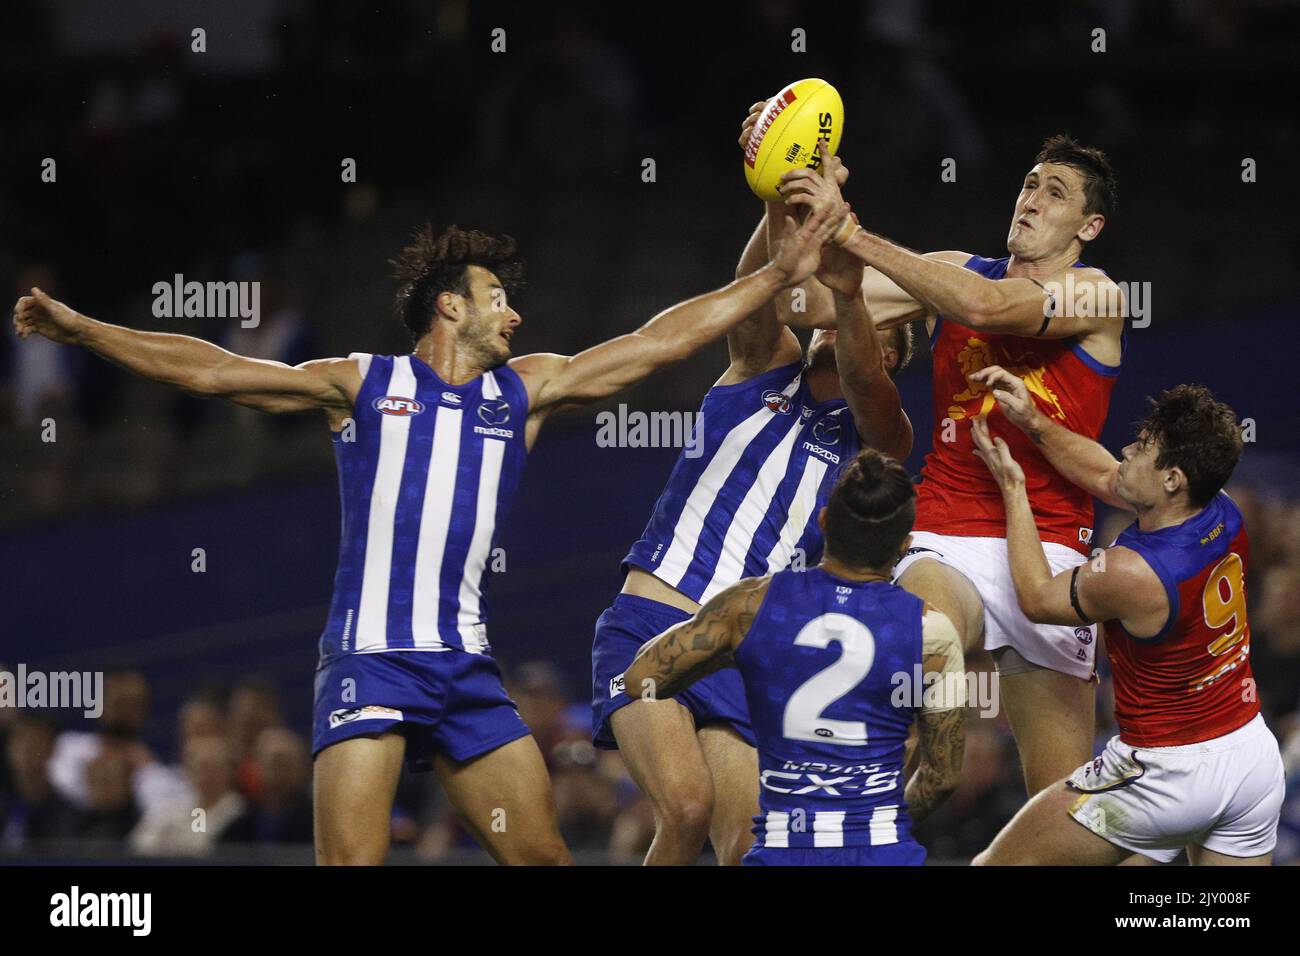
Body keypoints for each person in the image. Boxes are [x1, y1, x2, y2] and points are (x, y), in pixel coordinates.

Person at [11, 210, 840, 865]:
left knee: (545, 857)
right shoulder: (363, 384)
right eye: (497, 296)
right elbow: (215, 370)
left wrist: (774, 275)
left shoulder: (524, 390)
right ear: (450, 304)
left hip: (466, 674)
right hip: (371, 657)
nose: (514, 313)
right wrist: (85, 331)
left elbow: (659, 341)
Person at [774, 125, 1126, 796]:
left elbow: (986, 308)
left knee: (1063, 806)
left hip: (1049, 554)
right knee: (929, 634)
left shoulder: (1099, 294)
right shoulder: (957, 268)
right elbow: (808, 301)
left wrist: (848, 233)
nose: (1032, 199)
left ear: (1091, 225)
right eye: (1028, 184)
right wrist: (786, 197)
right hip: (946, 532)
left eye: (1055, 193)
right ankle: (921, 780)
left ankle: (928, 789)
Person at [592, 152, 915, 864]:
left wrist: (853, 293)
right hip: (653, 617)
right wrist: (778, 187)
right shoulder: (765, 366)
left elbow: (866, 380)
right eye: (830, 314)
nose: (832, 321)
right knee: (684, 808)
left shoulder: (878, 444)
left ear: (891, 356)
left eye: (867, 327)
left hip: (738, 654)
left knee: (745, 848)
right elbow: (755, 288)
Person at [969, 369, 1284, 864]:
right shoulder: (1223, 510)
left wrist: (1013, 487)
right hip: (1251, 760)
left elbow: (1034, 597)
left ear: (1173, 479)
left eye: (1142, 446)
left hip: (1165, 776)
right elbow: (1104, 475)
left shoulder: (1131, 573)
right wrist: (1035, 422)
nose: (1128, 452)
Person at [623, 449, 964, 865]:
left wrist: (734, 657)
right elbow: (942, 775)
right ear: (904, 544)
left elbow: (641, 678)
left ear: (823, 522)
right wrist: (876, 821)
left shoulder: (752, 606)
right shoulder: (931, 630)